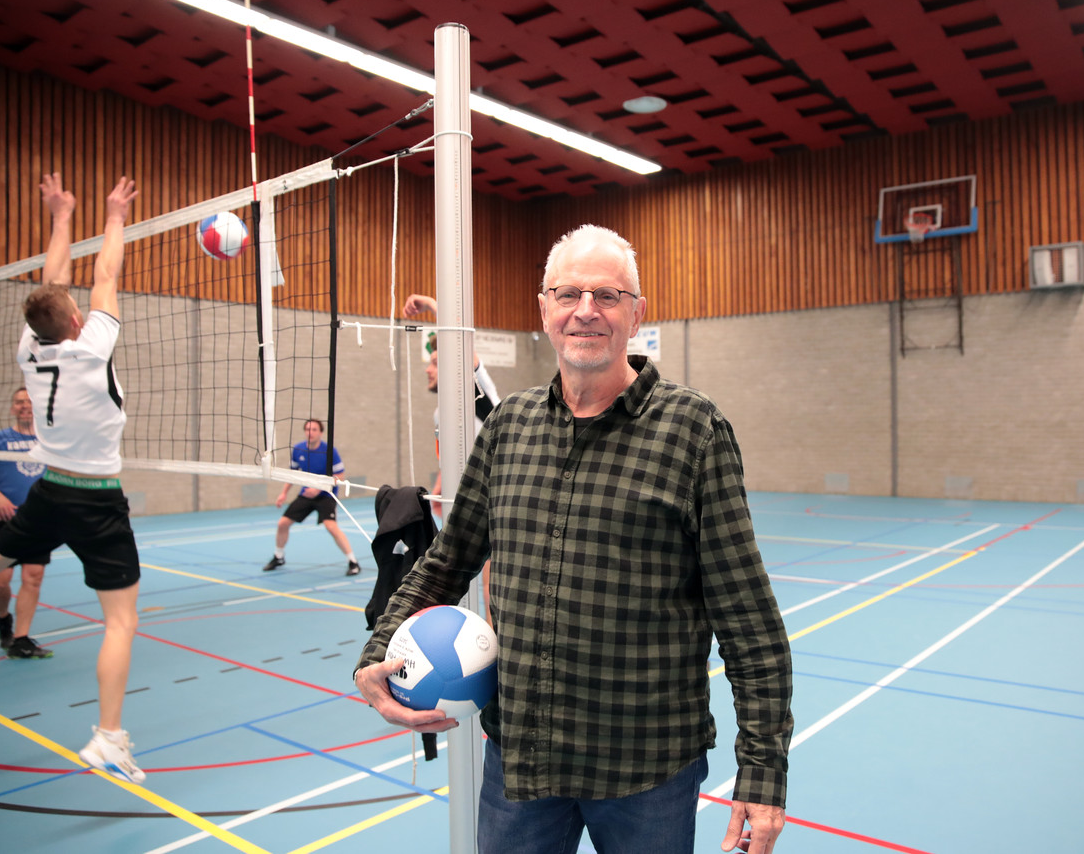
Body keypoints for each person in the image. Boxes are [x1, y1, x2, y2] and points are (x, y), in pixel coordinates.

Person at [356, 226, 793, 854]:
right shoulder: (509, 427)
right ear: (545, 310)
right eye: (569, 293)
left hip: (647, 775)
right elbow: (444, 563)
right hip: (521, 767)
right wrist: (377, 650)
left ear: (638, 313)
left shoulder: (694, 432)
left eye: (609, 295)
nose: (586, 310)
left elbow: (749, 621)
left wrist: (763, 770)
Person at [0, 172, 146, 783]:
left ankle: (110, 737)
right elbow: (103, 274)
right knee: (120, 622)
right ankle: (108, 737)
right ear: (77, 321)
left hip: (49, 493)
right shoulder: (91, 345)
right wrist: (112, 214)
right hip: (99, 500)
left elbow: (50, 283)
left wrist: (59, 217)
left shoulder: (31, 347)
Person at [402, 293, 500, 518]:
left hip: (497, 497)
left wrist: (429, 303)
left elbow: (458, 337)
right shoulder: (440, 414)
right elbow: (447, 457)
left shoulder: (475, 389)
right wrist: (440, 485)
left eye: (435, 363)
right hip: (465, 500)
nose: (428, 370)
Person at [0, 387, 48, 655]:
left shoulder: (49, 439)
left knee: (34, 576)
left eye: (29, 402)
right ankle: (4, 618)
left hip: (39, 518)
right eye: (19, 402)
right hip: (2, 517)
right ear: (12, 408)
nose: (25, 406)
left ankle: (21, 638)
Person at [265, 419, 360, 576]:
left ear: (320, 433)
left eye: (314, 429)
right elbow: (293, 474)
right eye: (308, 429)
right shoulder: (298, 449)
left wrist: (318, 489)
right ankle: (278, 557)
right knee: (282, 523)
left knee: (331, 527)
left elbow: (340, 476)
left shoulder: (330, 451)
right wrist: (283, 493)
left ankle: (353, 562)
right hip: (306, 495)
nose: (311, 432)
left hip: (326, 495)